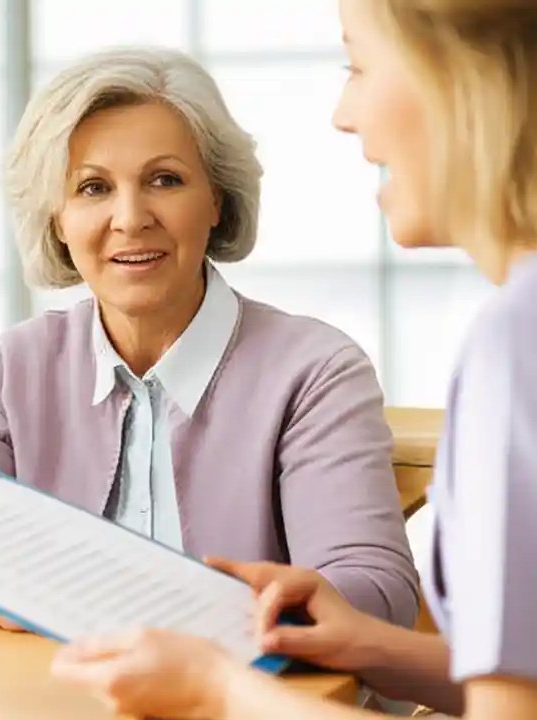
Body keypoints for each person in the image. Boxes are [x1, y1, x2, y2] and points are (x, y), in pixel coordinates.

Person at [51, 1, 537, 718]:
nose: (345, 115)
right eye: (93, 187)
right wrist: (367, 647)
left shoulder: (513, 342)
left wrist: (217, 692)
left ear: (463, 75)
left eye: (359, 66)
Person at [0, 47, 417, 635]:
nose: (130, 218)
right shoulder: (14, 367)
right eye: (92, 188)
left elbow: (376, 590)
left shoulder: (314, 369)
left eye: (164, 180)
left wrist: (216, 606)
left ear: (216, 199)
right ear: (57, 218)